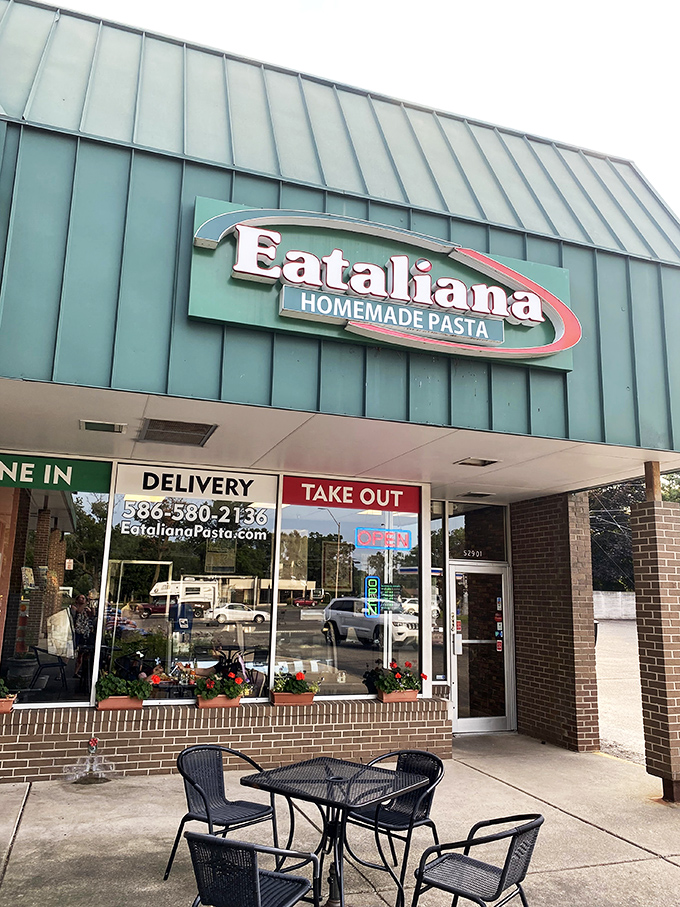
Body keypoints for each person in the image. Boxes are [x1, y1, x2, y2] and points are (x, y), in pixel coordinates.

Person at [70, 594, 94, 678]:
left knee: (82, 653)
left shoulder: (86, 609)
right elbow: (78, 611)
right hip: (76, 632)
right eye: (81, 598)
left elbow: (92, 615)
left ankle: (77, 671)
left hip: (84, 632)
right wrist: (86, 602)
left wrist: (92, 607)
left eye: (84, 598)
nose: (83, 599)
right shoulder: (74, 607)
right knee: (72, 651)